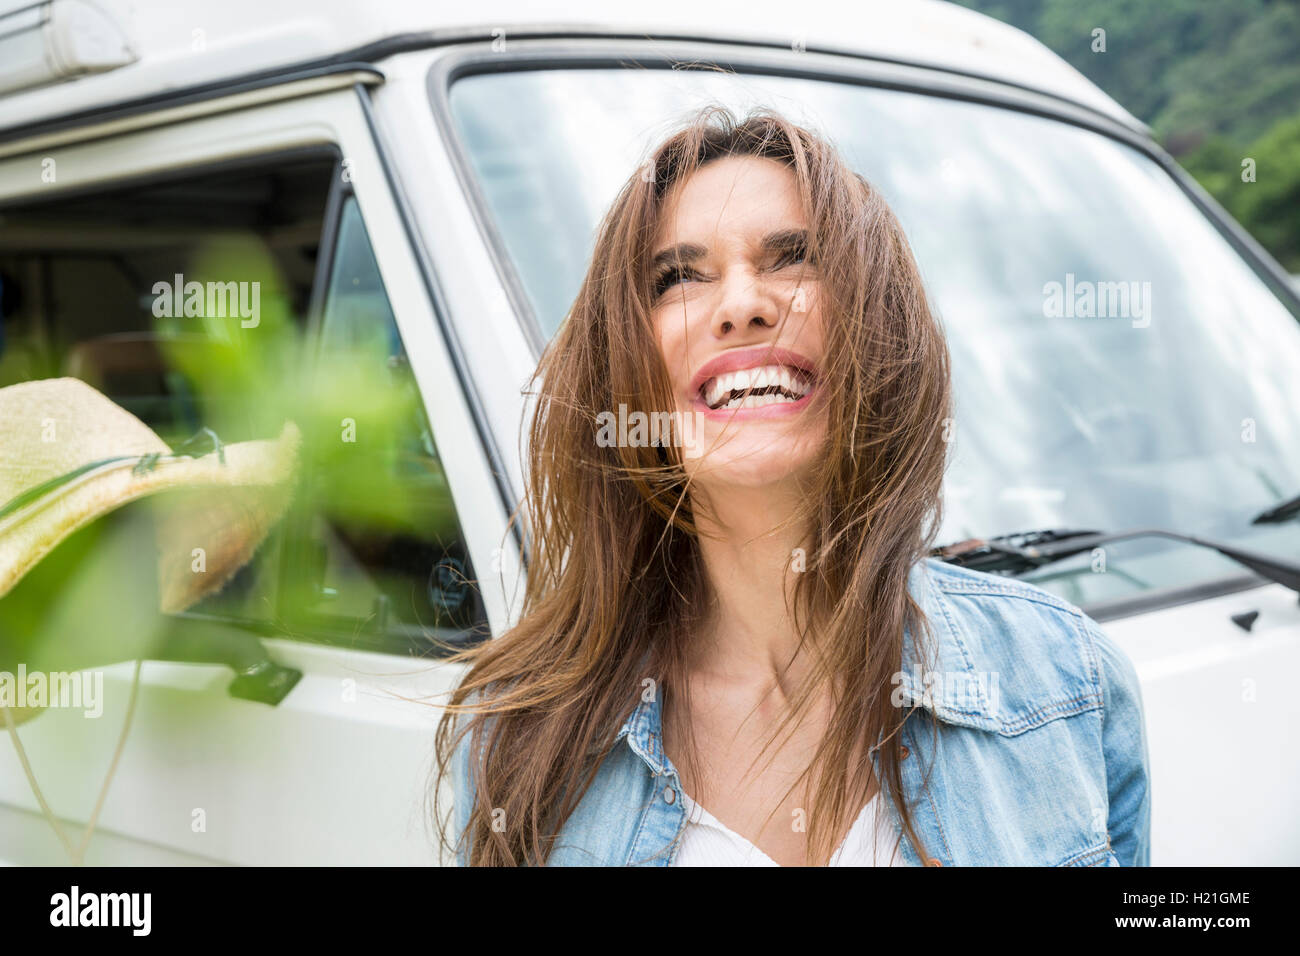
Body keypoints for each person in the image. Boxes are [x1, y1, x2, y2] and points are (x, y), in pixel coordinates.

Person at [433, 105, 1151, 867]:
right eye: (679, 277)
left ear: (880, 327)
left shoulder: (1069, 679)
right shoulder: (514, 735)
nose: (742, 305)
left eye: (793, 258)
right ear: (623, 370)